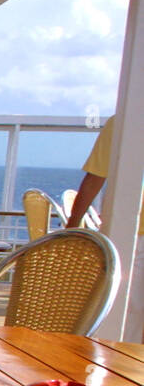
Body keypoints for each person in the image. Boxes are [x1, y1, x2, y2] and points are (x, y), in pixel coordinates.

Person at [67, 115, 144, 275]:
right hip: (128, 234)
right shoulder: (122, 122)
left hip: (126, 233)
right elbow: (94, 179)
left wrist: (71, 228)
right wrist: (72, 228)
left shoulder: (123, 120)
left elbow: (95, 178)